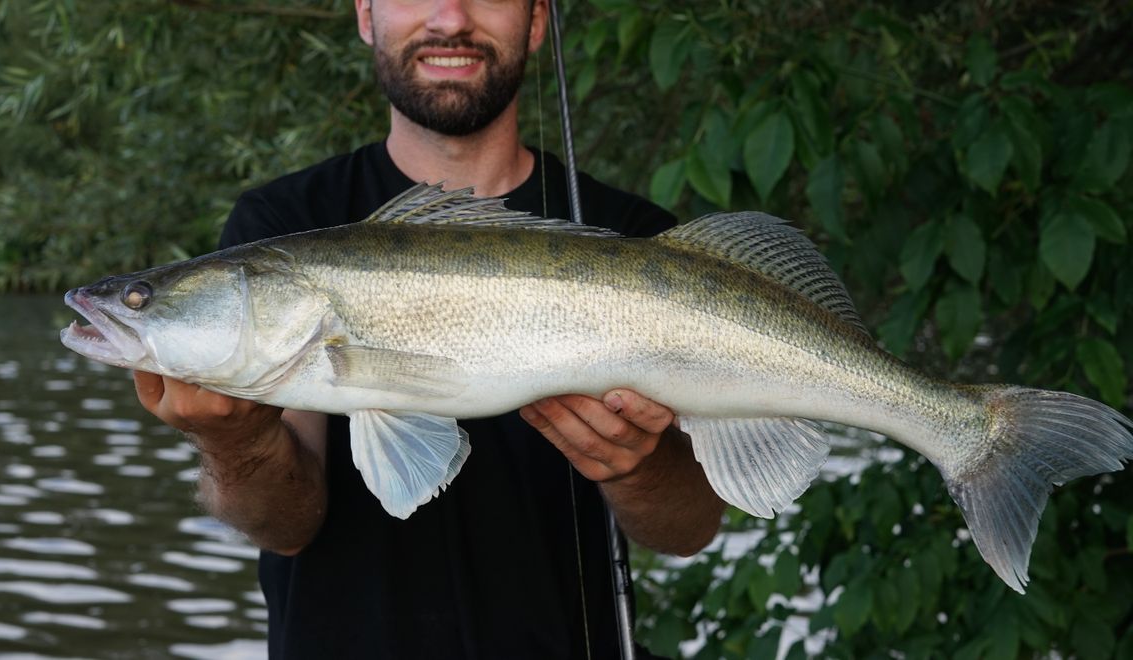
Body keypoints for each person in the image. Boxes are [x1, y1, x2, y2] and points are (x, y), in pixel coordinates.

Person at [132, 0, 725, 657]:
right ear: (365, 14)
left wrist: (640, 468)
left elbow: (688, 530)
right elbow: (286, 528)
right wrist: (234, 444)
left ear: (536, 20)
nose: (450, 18)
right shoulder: (283, 222)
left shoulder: (636, 239)